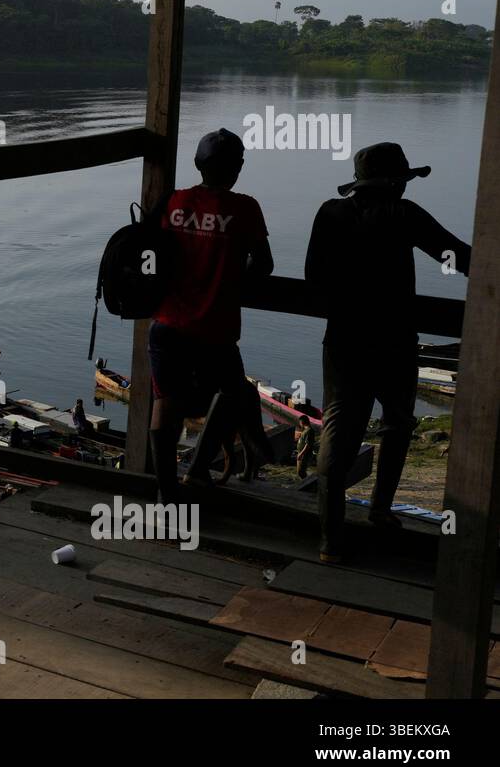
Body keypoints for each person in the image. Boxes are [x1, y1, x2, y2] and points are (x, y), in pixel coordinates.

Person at [305, 142, 470, 563]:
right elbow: (457, 256)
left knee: (338, 432)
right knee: (396, 425)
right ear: (395, 182)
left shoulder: (331, 212)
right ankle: (379, 510)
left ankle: (330, 540)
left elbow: (313, 277)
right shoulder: (404, 214)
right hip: (395, 343)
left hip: (343, 341)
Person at [148, 128, 276, 504]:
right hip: (215, 329)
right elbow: (264, 265)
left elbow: (146, 247)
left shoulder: (173, 201)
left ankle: (166, 494)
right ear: (237, 169)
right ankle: (199, 469)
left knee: (165, 405)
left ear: (197, 165)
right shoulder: (246, 208)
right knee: (234, 393)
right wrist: (230, 274)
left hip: (167, 325)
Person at [294, 415, 316, 480]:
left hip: (304, 455)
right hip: (301, 453)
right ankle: (304, 482)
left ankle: (305, 483)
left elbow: (308, 445)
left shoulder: (309, 431)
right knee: (300, 471)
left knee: (301, 472)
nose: (300, 424)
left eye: (300, 422)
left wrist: (301, 454)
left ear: (302, 422)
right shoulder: (305, 430)